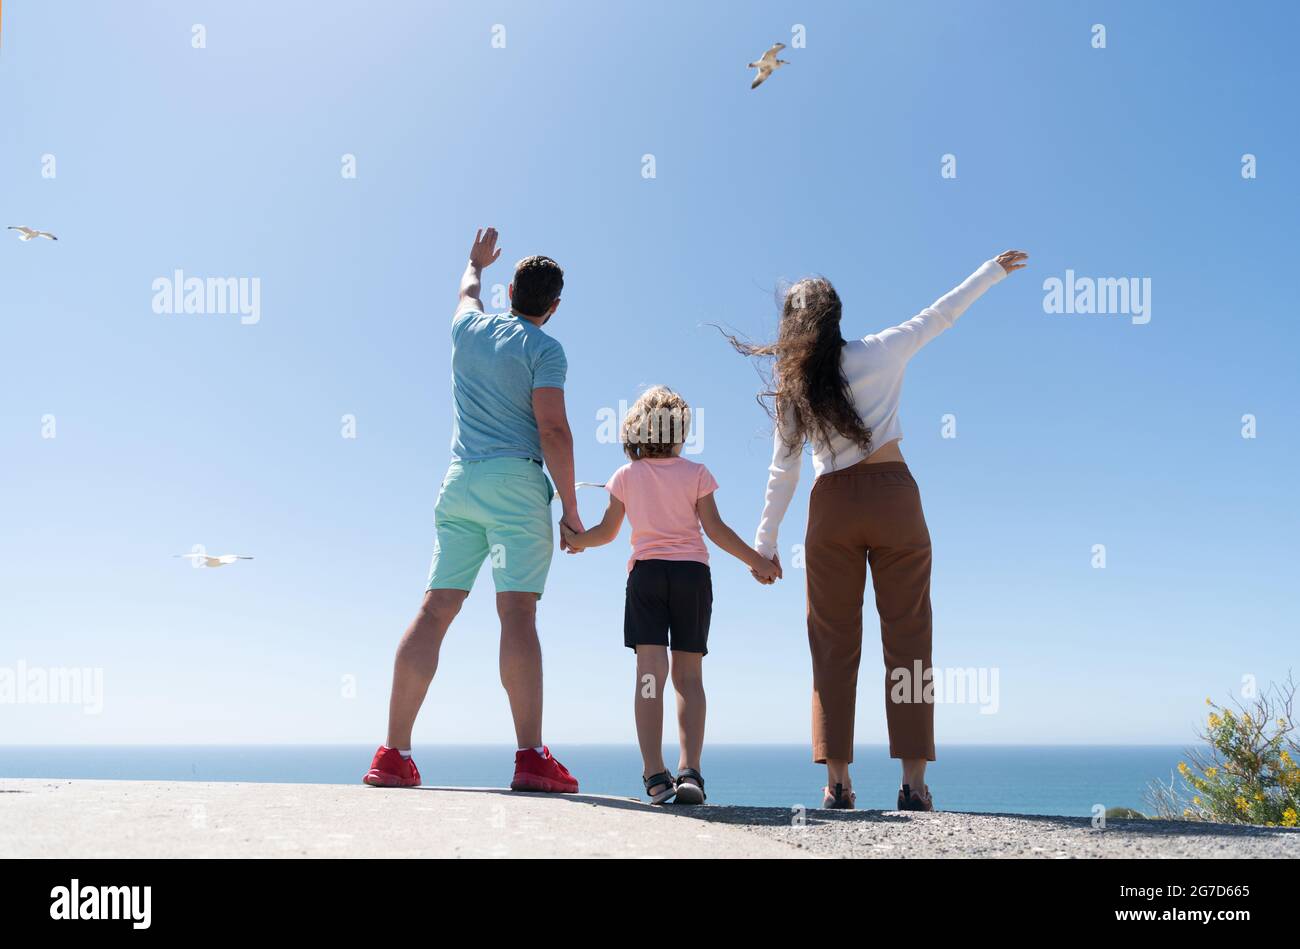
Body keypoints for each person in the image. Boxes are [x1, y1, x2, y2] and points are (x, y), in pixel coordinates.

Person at [728, 250, 1028, 810]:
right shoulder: (882, 350)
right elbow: (940, 315)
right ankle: (913, 785)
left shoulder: (793, 383)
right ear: (838, 315)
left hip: (832, 508)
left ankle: (838, 782)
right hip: (894, 497)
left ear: (792, 327)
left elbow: (782, 468)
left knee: (832, 646)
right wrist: (990, 272)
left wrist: (764, 546)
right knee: (910, 641)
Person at [363, 227, 585, 793]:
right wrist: (572, 509)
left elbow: (466, 291)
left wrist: (475, 262)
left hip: (460, 483)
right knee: (517, 615)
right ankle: (532, 758)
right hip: (515, 486)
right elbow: (554, 430)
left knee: (435, 610)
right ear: (553, 307)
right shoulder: (545, 349)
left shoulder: (466, 327)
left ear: (510, 291)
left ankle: (393, 754)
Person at [561, 386, 780, 804]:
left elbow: (607, 533)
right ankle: (690, 771)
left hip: (646, 577)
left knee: (649, 676)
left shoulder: (624, 477)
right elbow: (716, 531)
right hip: (691, 577)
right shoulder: (697, 474)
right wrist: (759, 561)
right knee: (689, 678)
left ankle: (654, 776)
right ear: (680, 431)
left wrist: (576, 541)